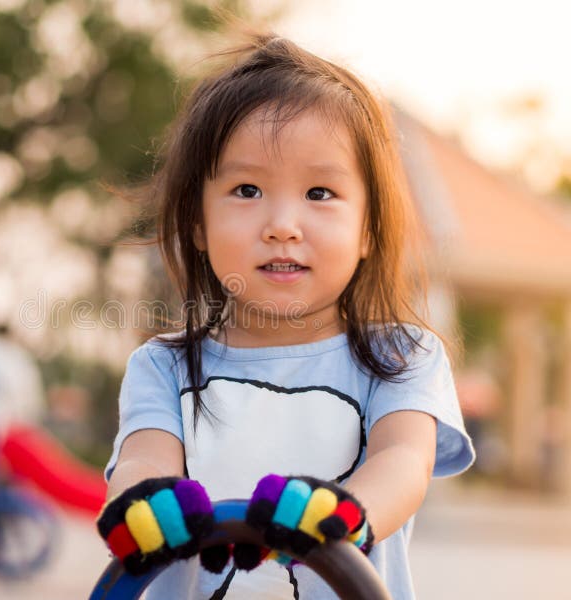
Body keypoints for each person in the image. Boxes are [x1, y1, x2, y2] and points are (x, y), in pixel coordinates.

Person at [97, 30, 476, 599]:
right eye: (247, 189)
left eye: (320, 193)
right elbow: (146, 458)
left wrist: (344, 511)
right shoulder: (164, 367)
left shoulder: (402, 358)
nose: (282, 224)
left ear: (368, 228)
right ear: (198, 223)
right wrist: (145, 503)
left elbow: (403, 460)